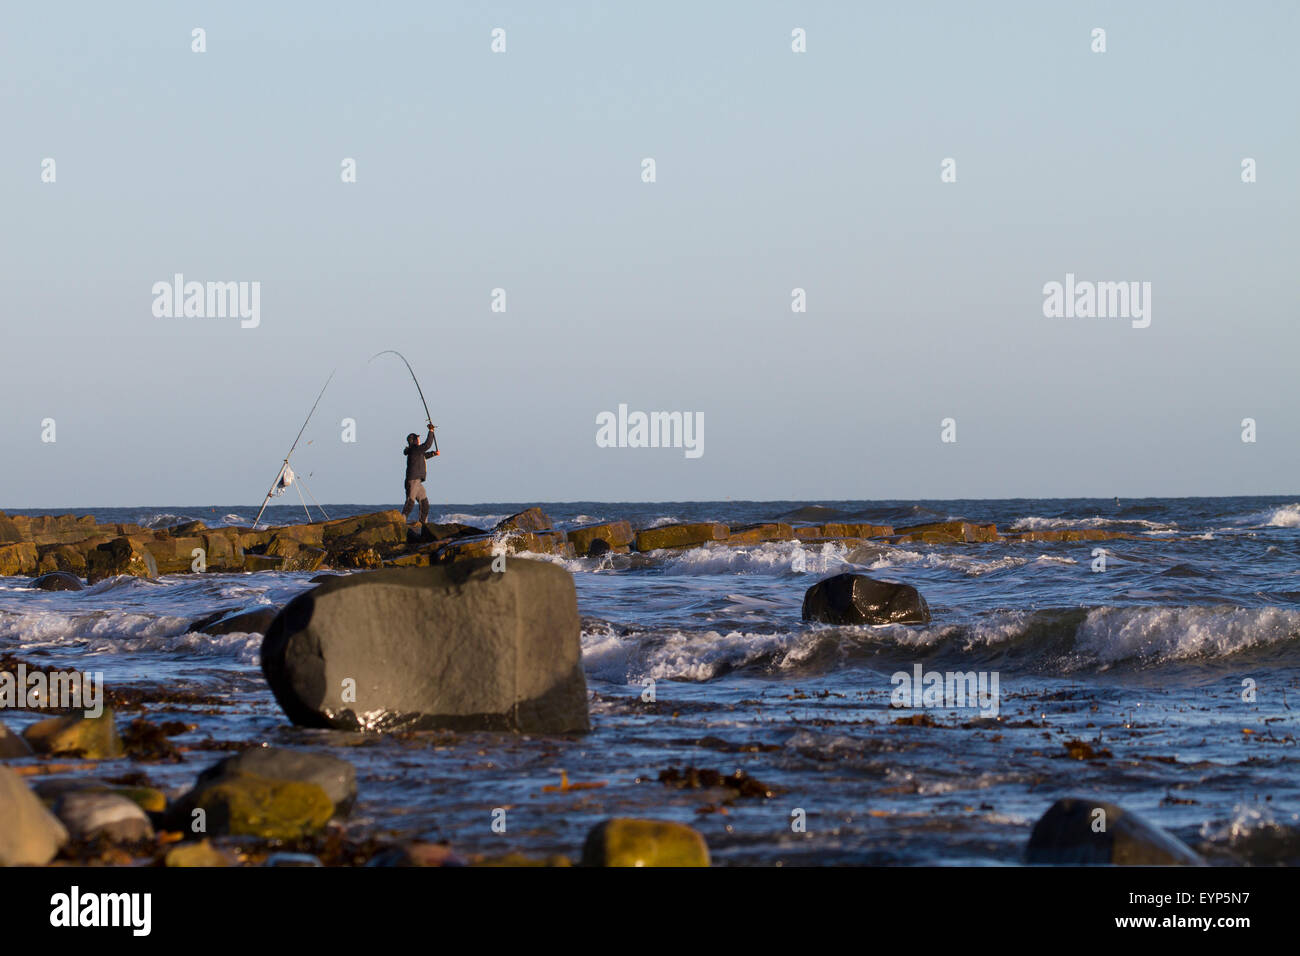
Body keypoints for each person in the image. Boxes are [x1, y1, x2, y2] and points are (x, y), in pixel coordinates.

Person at [401, 425, 438, 523]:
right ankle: (401, 521)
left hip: (417, 481)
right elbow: (427, 445)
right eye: (417, 438)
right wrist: (431, 431)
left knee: (424, 503)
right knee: (410, 502)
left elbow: (424, 456)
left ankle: (423, 524)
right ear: (413, 440)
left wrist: (433, 453)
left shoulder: (416, 451)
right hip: (413, 481)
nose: (419, 439)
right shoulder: (415, 449)